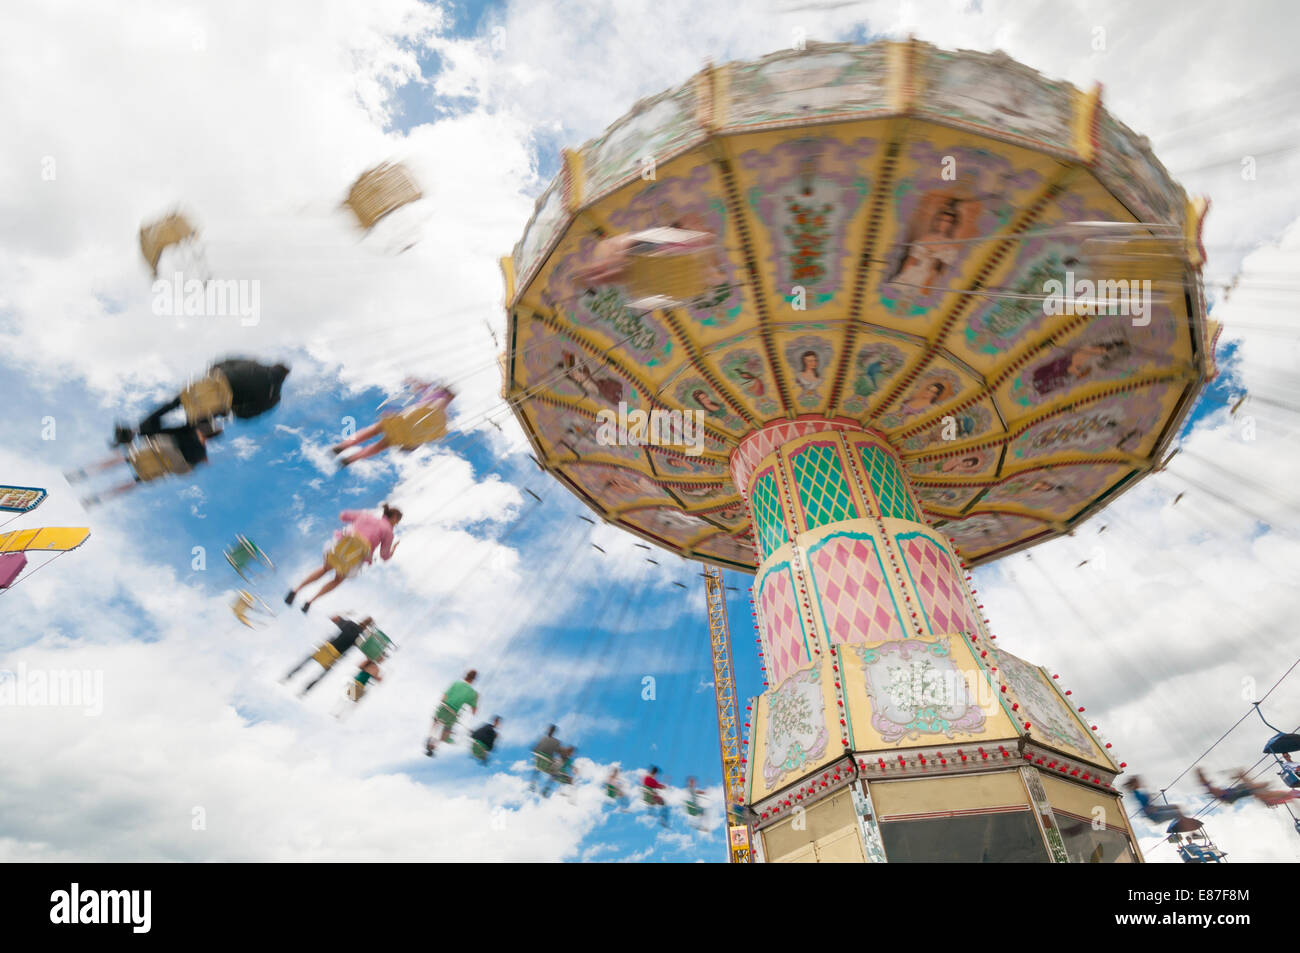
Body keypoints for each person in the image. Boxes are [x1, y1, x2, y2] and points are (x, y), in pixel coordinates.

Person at [112, 357, 290, 445]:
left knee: (171, 405)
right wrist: (230, 411)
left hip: (203, 388)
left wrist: (211, 375)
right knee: (189, 429)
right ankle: (149, 436)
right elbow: (249, 414)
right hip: (215, 405)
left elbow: (221, 362)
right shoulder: (273, 396)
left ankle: (133, 431)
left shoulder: (253, 363)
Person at [67, 419, 223, 506]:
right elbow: (184, 472)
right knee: (136, 481)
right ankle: (97, 498)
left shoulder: (187, 432)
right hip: (156, 469)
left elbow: (160, 433)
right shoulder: (200, 454)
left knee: (123, 458)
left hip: (150, 453)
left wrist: (144, 436)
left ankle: (84, 473)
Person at [286, 504, 402, 613]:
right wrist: (393, 550)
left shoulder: (366, 515)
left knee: (325, 569)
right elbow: (384, 556)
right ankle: (310, 602)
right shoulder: (388, 532)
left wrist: (359, 521)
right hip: (354, 558)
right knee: (338, 580)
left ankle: (296, 590)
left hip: (341, 547)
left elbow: (343, 515)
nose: (395, 525)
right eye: (396, 522)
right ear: (394, 517)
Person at [331, 380, 455, 467]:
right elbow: (436, 434)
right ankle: (351, 459)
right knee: (379, 447)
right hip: (408, 435)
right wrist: (414, 444)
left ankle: (342, 446)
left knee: (372, 431)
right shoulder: (444, 416)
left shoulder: (433, 394)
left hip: (402, 420)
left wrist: (414, 382)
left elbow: (417, 387)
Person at [282, 616, 372, 696]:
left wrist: (342, 616)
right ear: (367, 627)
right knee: (319, 674)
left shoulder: (349, 624)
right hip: (335, 655)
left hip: (329, 647)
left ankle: (289, 676)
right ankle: (304, 690)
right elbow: (367, 654)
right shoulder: (361, 637)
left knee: (307, 662)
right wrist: (369, 636)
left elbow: (333, 618)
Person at [425, 670, 479, 756]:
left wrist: (444, 705)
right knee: (447, 730)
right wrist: (476, 700)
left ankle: (430, 736)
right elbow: (474, 712)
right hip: (453, 714)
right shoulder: (473, 693)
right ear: (474, 679)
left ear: (466, 676)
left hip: (443, 708)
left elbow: (443, 698)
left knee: (436, 720)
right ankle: (435, 745)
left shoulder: (456, 683)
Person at [531, 725, 564, 792]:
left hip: (539, 763)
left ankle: (533, 783)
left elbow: (535, 750)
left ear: (548, 730)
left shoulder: (542, 739)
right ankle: (546, 788)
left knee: (537, 768)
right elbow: (559, 752)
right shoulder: (556, 742)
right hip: (547, 765)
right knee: (556, 772)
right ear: (554, 732)